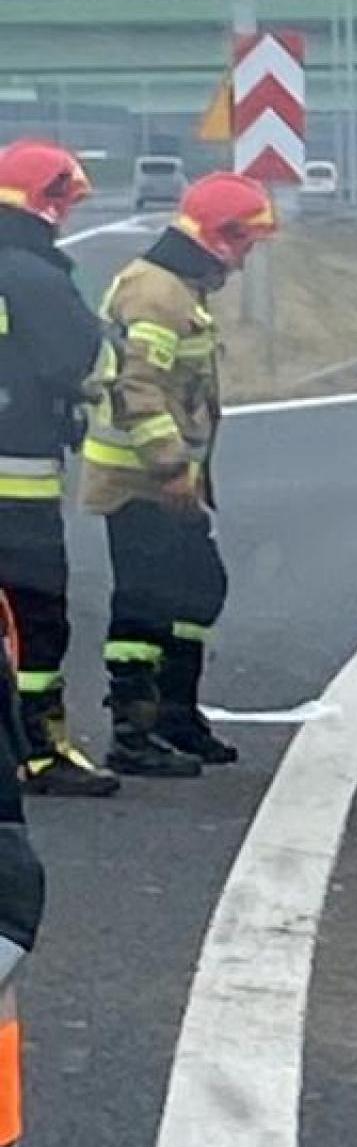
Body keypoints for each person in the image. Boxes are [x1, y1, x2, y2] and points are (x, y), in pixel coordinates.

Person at [84, 172, 277, 778]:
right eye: (245, 241)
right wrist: (169, 466)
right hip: (139, 477)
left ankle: (175, 716)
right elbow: (138, 387)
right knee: (144, 602)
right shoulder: (156, 293)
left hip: (166, 475)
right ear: (220, 235)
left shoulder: (178, 288)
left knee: (196, 588)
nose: (248, 257)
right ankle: (133, 732)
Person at [0, 140, 119, 797]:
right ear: (47, 202)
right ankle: (39, 750)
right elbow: (84, 364)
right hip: (16, 483)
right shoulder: (36, 277)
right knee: (37, 618)